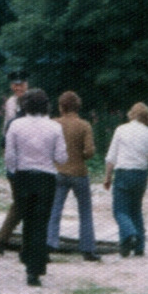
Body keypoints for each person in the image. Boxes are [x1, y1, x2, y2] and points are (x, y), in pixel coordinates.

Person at [3, 88, 67, 287]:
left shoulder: (16, 125)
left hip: (23, 175)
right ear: (46, 105)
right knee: (41, 222)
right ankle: (35, 268)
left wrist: (15, 171)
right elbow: (61, 157)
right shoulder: (54, 127)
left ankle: (27, 258)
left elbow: (10, 155)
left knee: (27, 220)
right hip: (46, 177)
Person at [47, 91, 99, 261]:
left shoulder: (54, 123)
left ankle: (50, 243)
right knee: (85, 211)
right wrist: (80, 156)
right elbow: (90, 151)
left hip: (58, 171)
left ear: (61, 107)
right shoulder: (84, 125)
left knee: (55, 209)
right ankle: (88, 249)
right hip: (79, 172)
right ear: (77, 107)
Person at [103, 102, 148, 258]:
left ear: (131, 114)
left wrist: (107, 177)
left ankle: (129, 235)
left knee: (120, 210)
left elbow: (111, 157)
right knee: (135, 209)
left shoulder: (121, 130)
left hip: (123, 172)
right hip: (141, 174)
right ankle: (139, 247)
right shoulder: (147, 133)